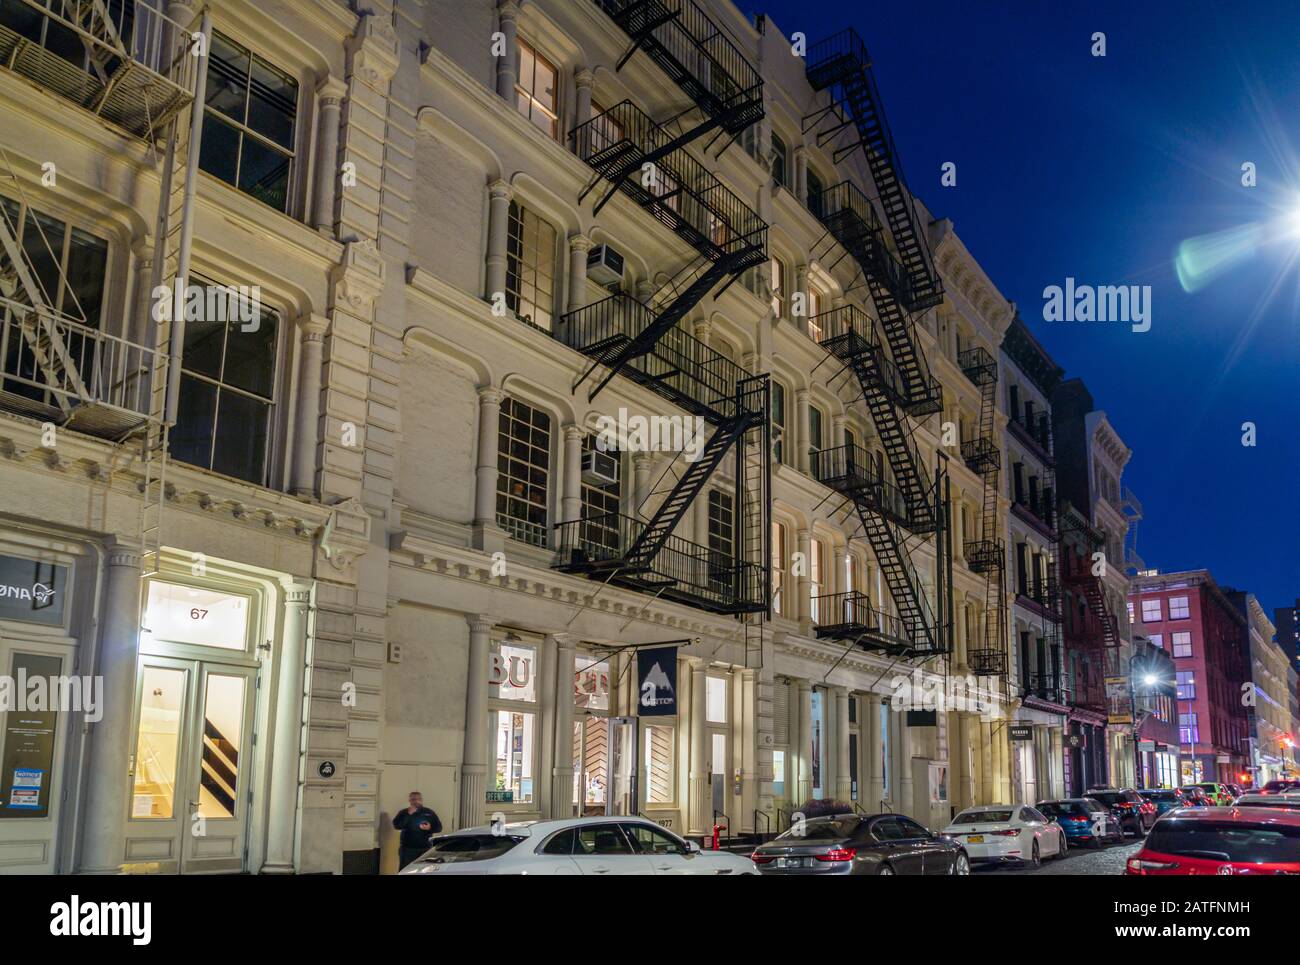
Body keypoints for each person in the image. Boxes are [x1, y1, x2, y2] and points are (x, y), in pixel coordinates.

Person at [392, 791, 442, 870]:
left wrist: (429, 828)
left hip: (425, 848)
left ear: (421, 800)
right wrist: (409, 815)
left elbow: (439, 828)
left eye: (418, 799)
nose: (416, 801)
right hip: (407, 849)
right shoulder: (404, 812)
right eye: (413, 799)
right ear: (410, 801)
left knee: (424, 870)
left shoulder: (429, 812)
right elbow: (397, 826)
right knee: (406, 870)